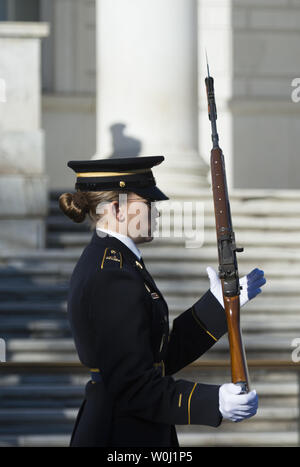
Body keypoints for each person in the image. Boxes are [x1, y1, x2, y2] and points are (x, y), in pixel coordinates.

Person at [59, 156, 265, 447]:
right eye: (147, 204)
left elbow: (157, 358)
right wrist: (212, 401)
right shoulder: (112, 275)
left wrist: (217, 306)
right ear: (117, 209)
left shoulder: (119, 263)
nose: (156, 214)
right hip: (121, 435)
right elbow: (133, 387)